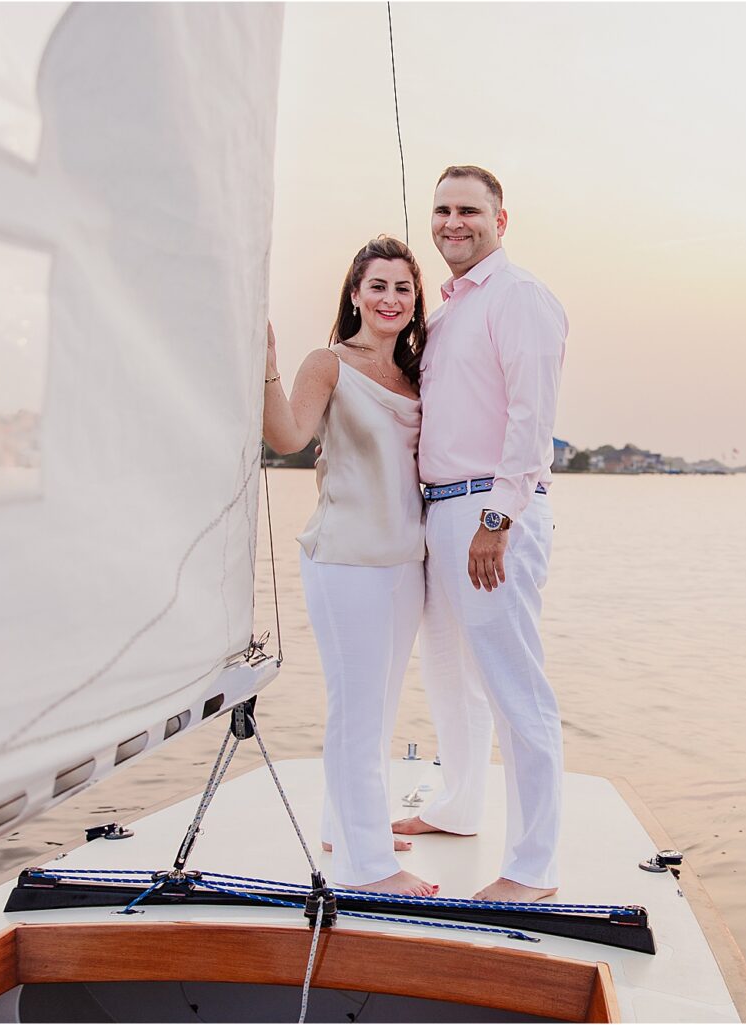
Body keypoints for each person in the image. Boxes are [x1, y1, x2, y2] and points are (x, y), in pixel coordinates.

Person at [392, 166, 568, 902]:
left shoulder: (517, 296)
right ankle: (459, 805)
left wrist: (499, 518)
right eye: (441, 209)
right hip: (439, 510)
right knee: (450, 677)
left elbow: (532, 417)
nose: (451, 222)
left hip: (491, 513)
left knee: (512, 686)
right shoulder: (450, 309)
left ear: (501, 218)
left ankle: (533, 866)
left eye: (469, 210)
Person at [262, 236, 436, 897]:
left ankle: (344, 823)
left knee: (381, 708)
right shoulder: (327, 363)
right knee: (356, 710)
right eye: (378, 285)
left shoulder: (420, 373)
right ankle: (369, 866)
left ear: (414, 299)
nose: (390, 298)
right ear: (356, 293)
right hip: (344, 561)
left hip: (405, 560)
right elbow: (286, 437)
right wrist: (267, 365)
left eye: (403, 287)